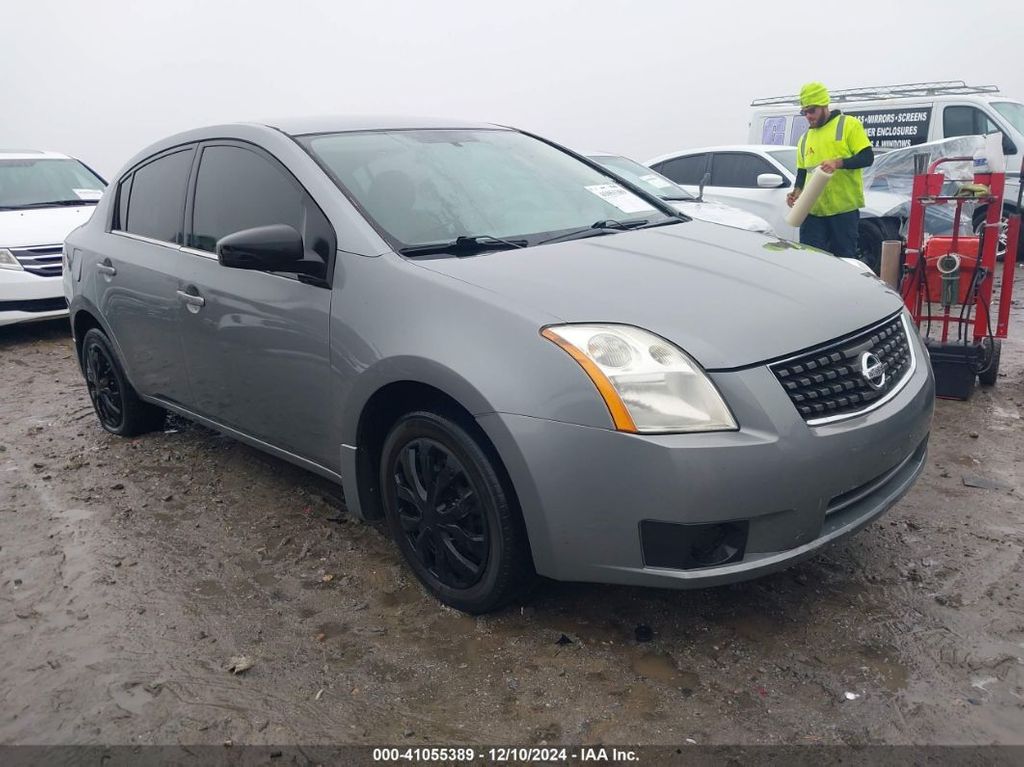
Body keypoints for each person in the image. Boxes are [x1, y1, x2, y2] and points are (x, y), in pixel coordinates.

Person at [786, 82, 874, 257]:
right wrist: (796, 192)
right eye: (805, 112)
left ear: (824, 105)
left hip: (843, 211)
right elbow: (803, 172)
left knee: (844, 260)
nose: (808, 116)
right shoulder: (805, 139)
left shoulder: (848, 124)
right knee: (810, 259)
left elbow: (867, 157)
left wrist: (838, 163)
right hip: (812, 212)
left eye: (812, 110)